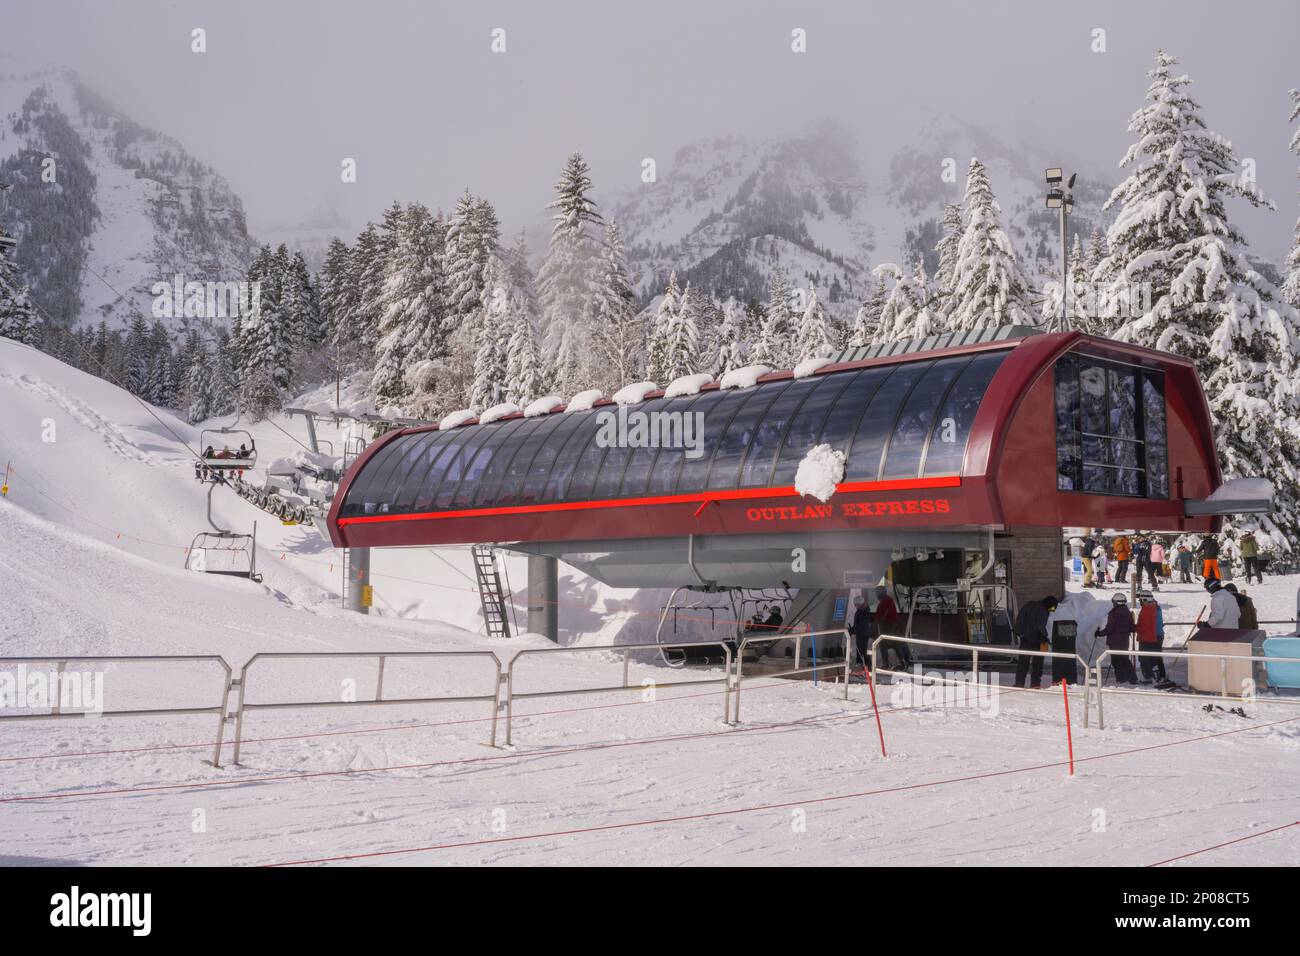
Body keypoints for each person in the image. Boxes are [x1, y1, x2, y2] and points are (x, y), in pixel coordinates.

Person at [1013, 595, 1057, 689]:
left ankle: (1019, 684)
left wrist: (1019, 632)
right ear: (1049, 605)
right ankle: (1035, 685)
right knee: (1038, 665)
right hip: (1038, 640)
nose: (1052, 611)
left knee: (1023, 663)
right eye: (1052, 608)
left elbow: (1019, 620)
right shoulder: (1043, 610)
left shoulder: (1028, 605)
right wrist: (1045, 638)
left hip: (1025, 639)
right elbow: (1040, 626)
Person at [1099, 592, 1138, 684]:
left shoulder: (1114, 614)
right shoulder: (1127, 612)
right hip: (1124, 641)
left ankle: (1121, 679)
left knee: (1116, 662)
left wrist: (1099, 633)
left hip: (1115, 642)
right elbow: (1132, 627)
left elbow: (1109, 629)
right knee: (1124, 660)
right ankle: (1131, 678)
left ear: (1115, 602)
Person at [1135, 590, 1169, 686]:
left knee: (1144, 659)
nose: (1140, 602)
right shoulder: (1156, 607)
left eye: (1140, 599)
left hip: (1148, 637)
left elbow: (1143, 626)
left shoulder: (1147, 609)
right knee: (1156, 658)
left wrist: (1135, 627)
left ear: (1144, 599)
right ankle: (1161, 676)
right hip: (1158, 636)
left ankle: (1149, 677)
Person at [872, 585, 909, 670]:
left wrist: (879, 624)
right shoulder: (886, 600)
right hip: (890, 626)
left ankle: (888, 664)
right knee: (893, 644)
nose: (876, 595)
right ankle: (902, 663)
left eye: (877, 593)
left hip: (888, 627)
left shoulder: (885, 601)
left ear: (881, 593)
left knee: (885, 644)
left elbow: (884, 615)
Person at [847, 595, 874, 669]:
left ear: (860, 604)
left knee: (863, 650)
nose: (856, 606)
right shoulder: (863, 611)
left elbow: (862, 624)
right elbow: (859, 624)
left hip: (863, 634)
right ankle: (863, 665)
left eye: (857, 605)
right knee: (861, 650)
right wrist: (853, 629)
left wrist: (853, 629)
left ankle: (866, 666)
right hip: (862, 634)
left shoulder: (863, 612)